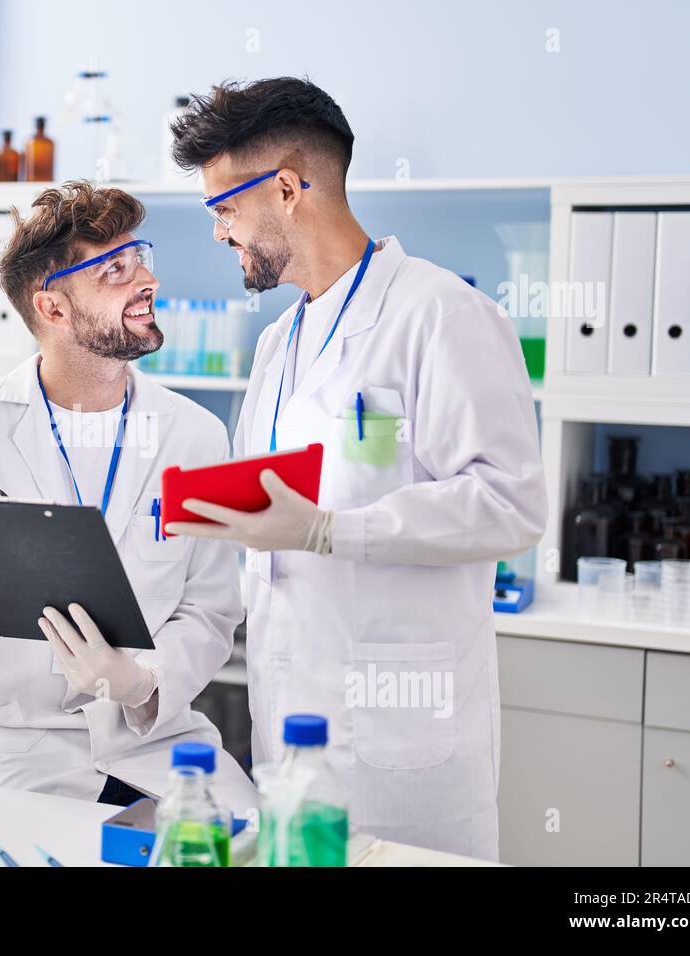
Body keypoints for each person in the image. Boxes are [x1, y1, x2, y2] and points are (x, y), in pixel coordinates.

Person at [163, 77, 546, 859]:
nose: (218, 233)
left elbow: (510, 503)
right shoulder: (278, 345)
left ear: (286, 187)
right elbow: (278, 506)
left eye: (224, 208)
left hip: (404, 749)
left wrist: (335, 531)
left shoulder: (440, 316)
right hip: (293, 738)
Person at [0, 181, 256, 810]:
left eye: (141, 258)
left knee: (252, 843)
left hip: (154, 738)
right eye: (115, 270)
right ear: (52, 309)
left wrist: (141, 684)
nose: (147, 279)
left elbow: (211, 609)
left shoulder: (194, 434)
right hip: (9, 739)